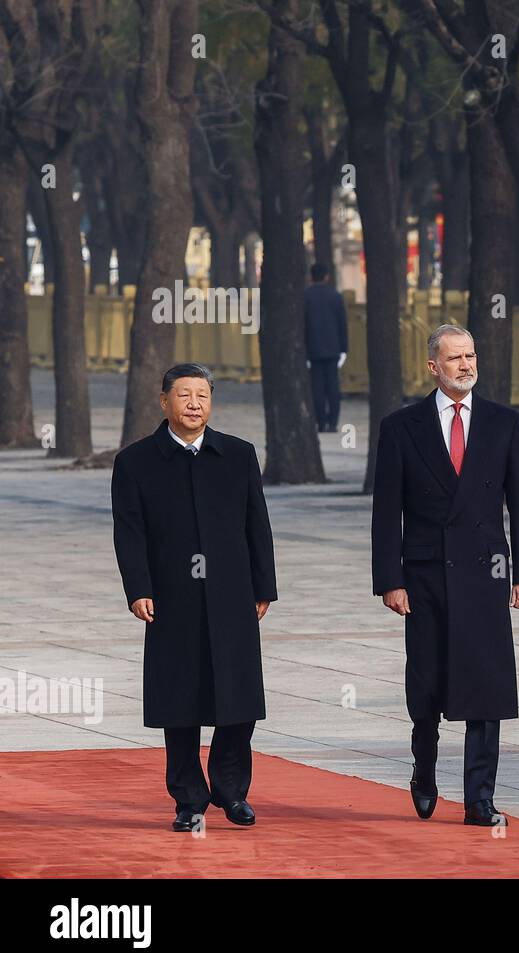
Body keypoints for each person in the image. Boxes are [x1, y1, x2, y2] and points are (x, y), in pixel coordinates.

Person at [371, 324, 519, 827]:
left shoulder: (503, 422)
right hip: (425, 577)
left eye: (471, 355)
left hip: (485, 573)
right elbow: (386, 513)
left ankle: (479, 798)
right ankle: (424, 770)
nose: (466, 365)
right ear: (433, 367)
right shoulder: (401, 427)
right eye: (454, 359)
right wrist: (390, 580)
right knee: (427, 686)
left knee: (485, 686)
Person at [111, 362, 277, 832]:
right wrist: (138, 588)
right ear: (164, 401)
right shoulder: (136, 462)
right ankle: (188, 798)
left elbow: (256, 526)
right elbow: (130, 534)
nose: (193, 404)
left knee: (238, 699)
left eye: (202, 395)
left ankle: (231, 792)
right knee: (178, 700)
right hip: (170, 597)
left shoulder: (238, 455)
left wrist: (264, 586)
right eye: (183, 395)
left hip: (232, 595)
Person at [304, 263, 348, 433]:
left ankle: (320, 422)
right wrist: (344, 348)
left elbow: (303, 325)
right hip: (333, 347)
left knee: (317, 387)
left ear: (311, 276)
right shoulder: (336, 296)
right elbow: (342, 324)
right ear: (326, 276)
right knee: (333, 387)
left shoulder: (306, 296)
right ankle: (333, 422)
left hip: (313, 348)